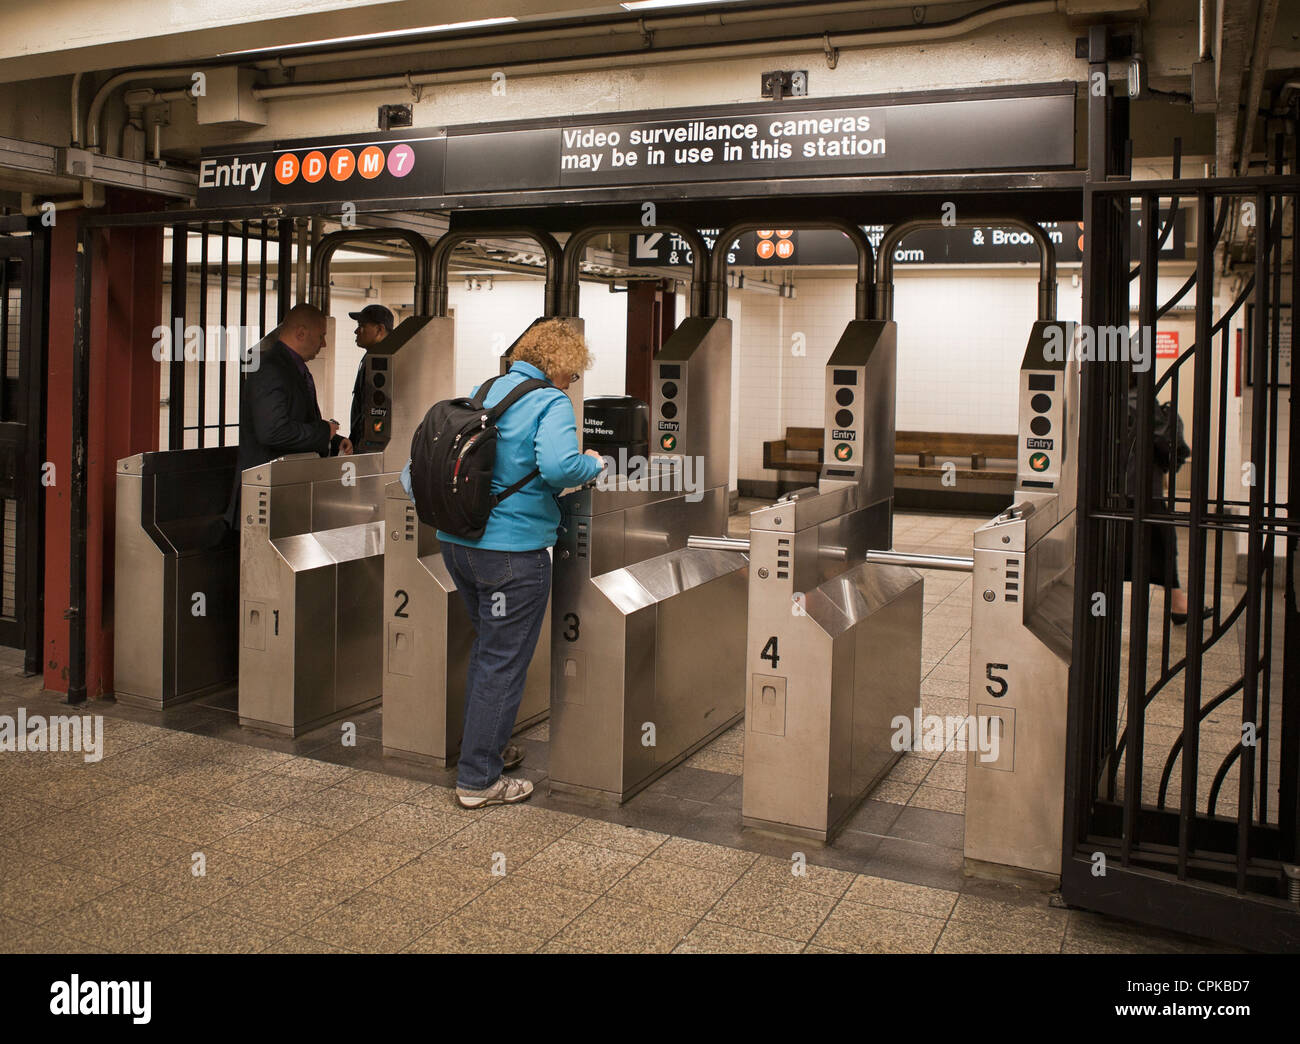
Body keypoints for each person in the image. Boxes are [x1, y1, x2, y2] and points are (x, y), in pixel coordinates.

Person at [401, 319, 604, 808]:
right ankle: (478, 780)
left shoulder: (487, 388)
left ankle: (486, 748)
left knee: (491, 652)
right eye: (574, 376)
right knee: (503, 661)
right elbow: (558, 467)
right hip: (513, 553)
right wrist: (593, 462)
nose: (572, 385)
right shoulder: (550, 401)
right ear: (563, 367)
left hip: (459, 544)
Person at [223, 302, 352, 530]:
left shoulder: (292, 367)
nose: (324, 344)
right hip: (266, 496)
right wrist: (323, 431)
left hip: (286, 494)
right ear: (301, 333)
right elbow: (273, 431)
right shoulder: (270, 369)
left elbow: (296, 421)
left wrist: (332, 439)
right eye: (321, 336)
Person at [1124, 375, 1209, 625]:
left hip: (1112, 490)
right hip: (1143, 489)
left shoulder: (1108, 401)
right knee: (1163, 544)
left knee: (1113, 549)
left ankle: (1098, 606)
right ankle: (1179, 604)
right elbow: (1166, 446)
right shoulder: (1143, 402)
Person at [347, 303, 394, 452]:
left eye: (362, 326)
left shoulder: (384, 362)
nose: (356, 331)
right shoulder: (369, 358)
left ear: (380, 329)